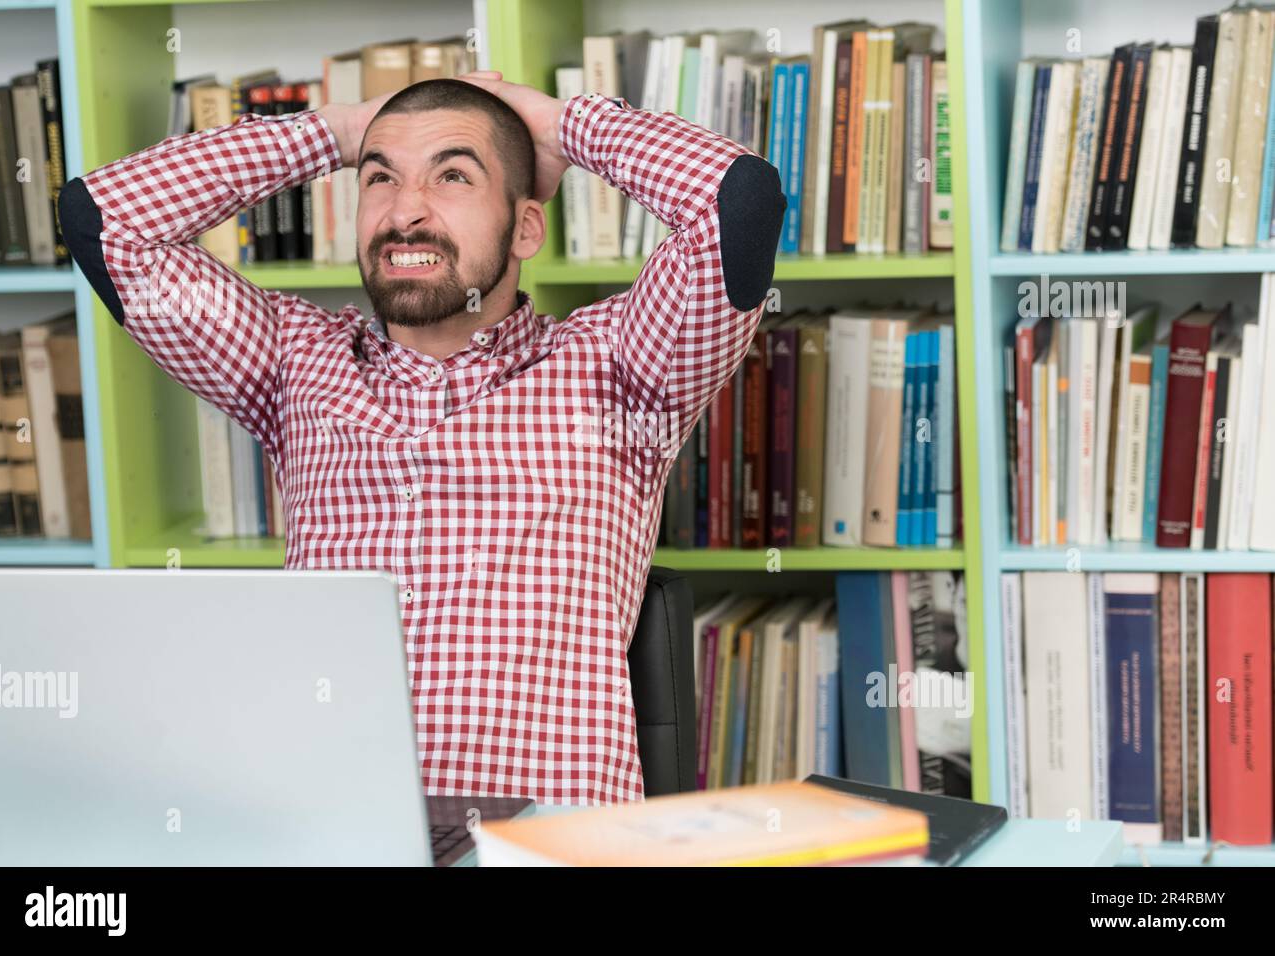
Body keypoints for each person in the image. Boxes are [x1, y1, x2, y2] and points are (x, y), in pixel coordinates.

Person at [60, 69, 786, 804]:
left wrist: (561, 125)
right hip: (329, 836)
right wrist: (335, 133)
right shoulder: (290, 361)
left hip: (540, 847)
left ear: (526, 226)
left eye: (453, 176)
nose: (406, 212)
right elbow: (105, 222)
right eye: (380, 179)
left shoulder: (624, 367)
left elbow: (737, 203)